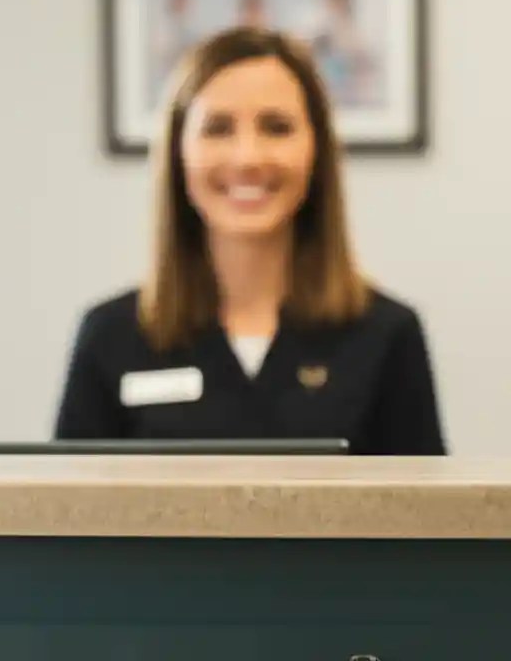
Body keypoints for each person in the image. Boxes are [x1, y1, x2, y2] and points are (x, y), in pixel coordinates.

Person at [54, 27, 445, 455]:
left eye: (276, 127)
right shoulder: (110, 337)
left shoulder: (387, 335)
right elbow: (67, 517)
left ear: (316, 151)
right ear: (179, 152)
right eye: (218, 128)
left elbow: (421, 517)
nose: (247, 158)